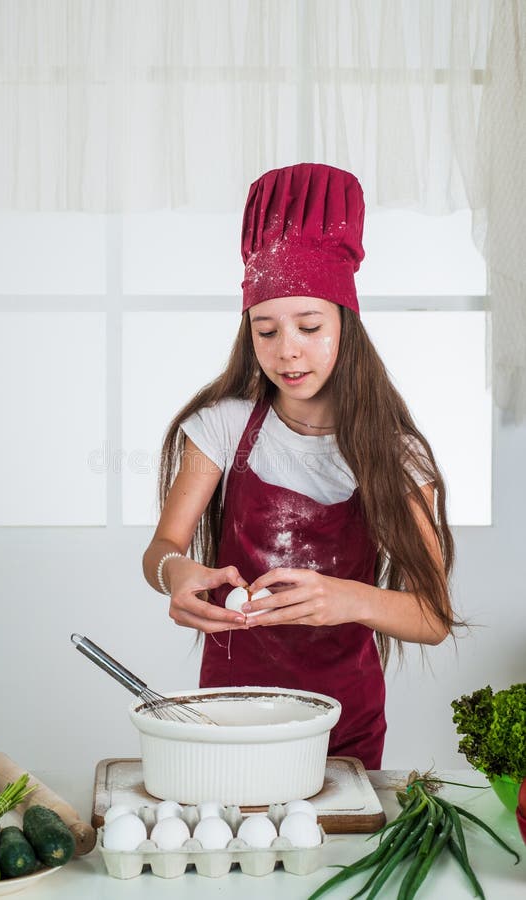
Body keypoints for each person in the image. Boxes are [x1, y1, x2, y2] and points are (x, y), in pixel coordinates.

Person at [142, 163, 459, 769]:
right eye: (266, 331)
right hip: (231, 715)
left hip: (342, 722)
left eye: (310, 327)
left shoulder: (393, 453)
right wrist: (175, 574)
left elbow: (432, 615)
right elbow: (161, 546)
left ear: (346, 324)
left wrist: (343, 598)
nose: (287, 349)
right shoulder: (224, 427)